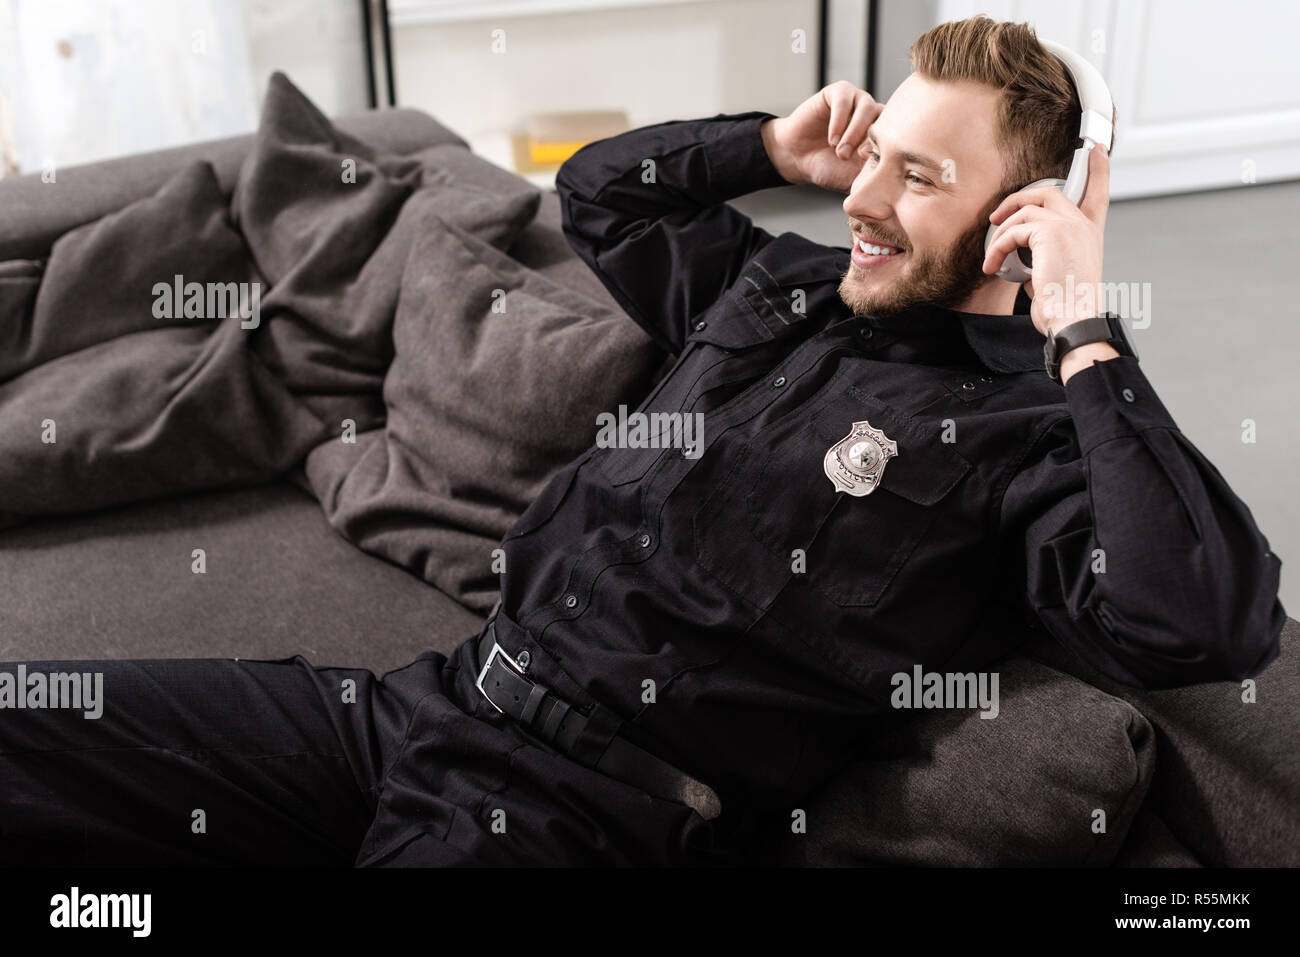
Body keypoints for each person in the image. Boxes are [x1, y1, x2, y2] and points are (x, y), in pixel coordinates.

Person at [0, 16, 1283, 868]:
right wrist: (767, 145)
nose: (868, 202)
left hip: (579, 812)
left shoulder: (1035, 433)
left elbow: (1205, 625)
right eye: (876, 158)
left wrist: (1081, 326)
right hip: (414, 709)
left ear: (1028, 216)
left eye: (920, 180)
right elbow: (599, 194)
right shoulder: (781, 282)